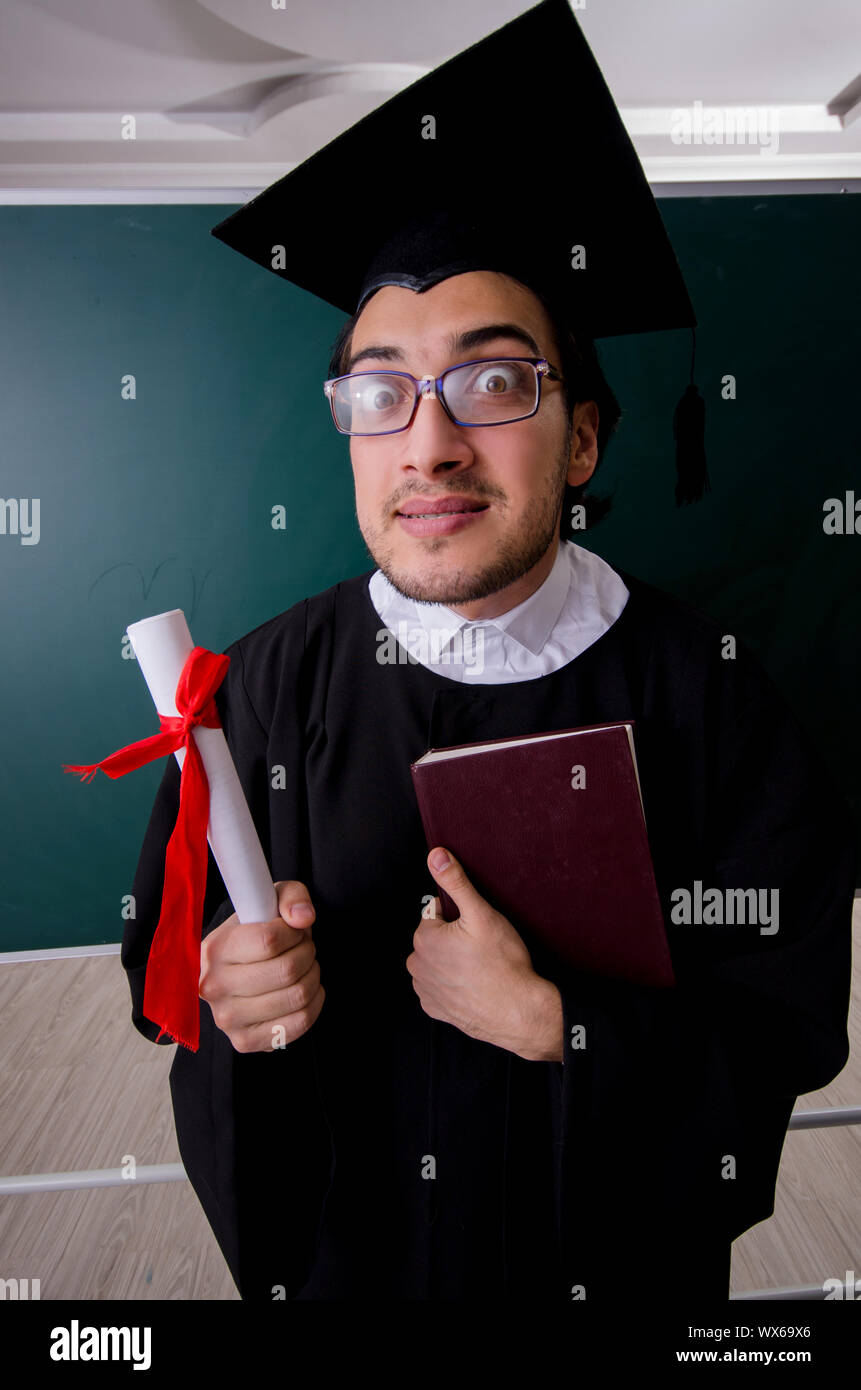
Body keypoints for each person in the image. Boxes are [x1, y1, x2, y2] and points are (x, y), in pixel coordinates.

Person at [123, 0, 857, 1302]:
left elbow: (783, 1026)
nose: (429, 443)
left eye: (494, 379)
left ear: (579, 439)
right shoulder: (252, 693)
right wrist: (225, 993)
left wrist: (552, 1024)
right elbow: (167, 965)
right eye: (379, 389)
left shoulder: (717, 699)